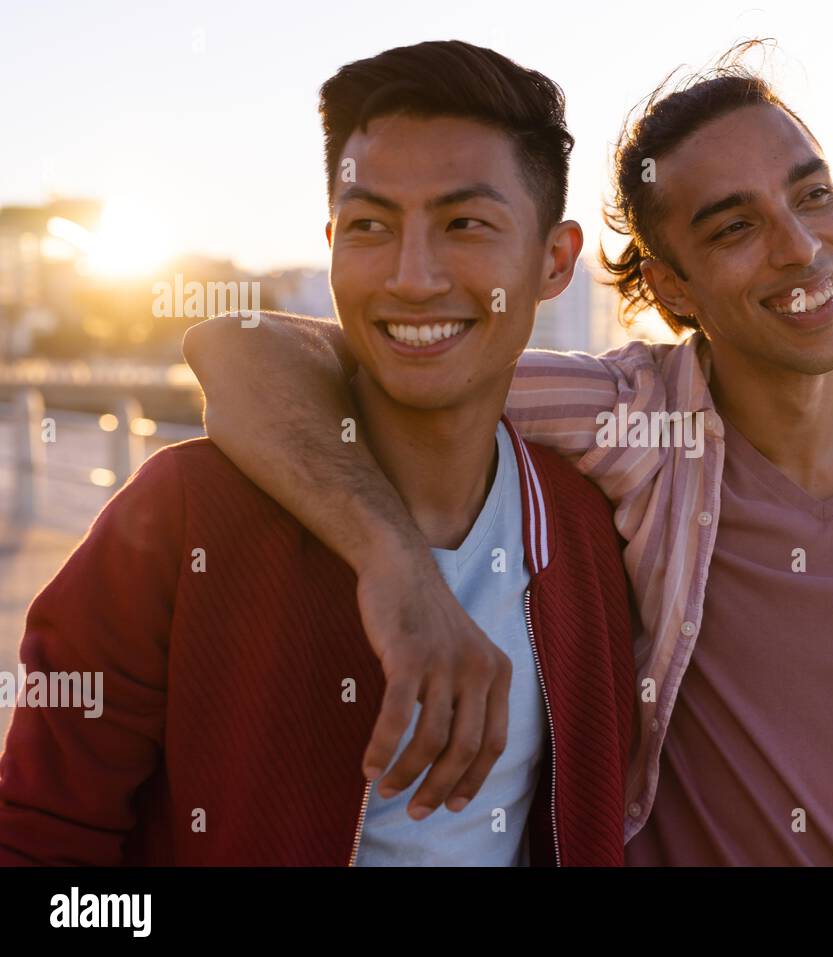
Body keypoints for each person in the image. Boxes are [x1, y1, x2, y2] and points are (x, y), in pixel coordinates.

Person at [185, 43, 833, 866]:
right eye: (733, 229)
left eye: (812, 195)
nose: (800, 247)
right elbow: (243, 349)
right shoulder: (628, 419)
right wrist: (398, 569)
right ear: (672, 286)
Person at [0, 39, 635, 867]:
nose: (411, 277)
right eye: (370, 225)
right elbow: (41, 846)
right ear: (331, 241)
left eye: (465, 224)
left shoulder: (584, 528)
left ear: (554, 261)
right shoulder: (180, 514)